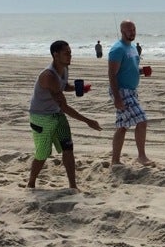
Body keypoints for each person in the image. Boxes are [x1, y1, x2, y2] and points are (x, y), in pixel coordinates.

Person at [28, 40, 102, 191]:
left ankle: (73, 186)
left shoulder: (64, 69)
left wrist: (78, 88)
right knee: (42, 154)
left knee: (68, 148)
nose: (70, 56)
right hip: (41, 117)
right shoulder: (49, 76)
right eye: (66, 53)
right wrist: (88, 121)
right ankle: (31, 183)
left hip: (57, 114)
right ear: (56, 55)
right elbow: (64, 106)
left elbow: (63, 86)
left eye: (70, 53)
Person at [108, 20, 153, 166]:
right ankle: (141, 156)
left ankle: (115, 160)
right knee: (142, 120)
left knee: (123, 126)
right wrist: (117, 98)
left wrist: (141, 71)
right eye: (129, 30)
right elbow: (112, 75)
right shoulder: (117, 49)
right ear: (122, 31)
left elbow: (128, 69)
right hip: (122, 91)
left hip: (131, 91)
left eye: (133, 29)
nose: (132, 32)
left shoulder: (132, 47)